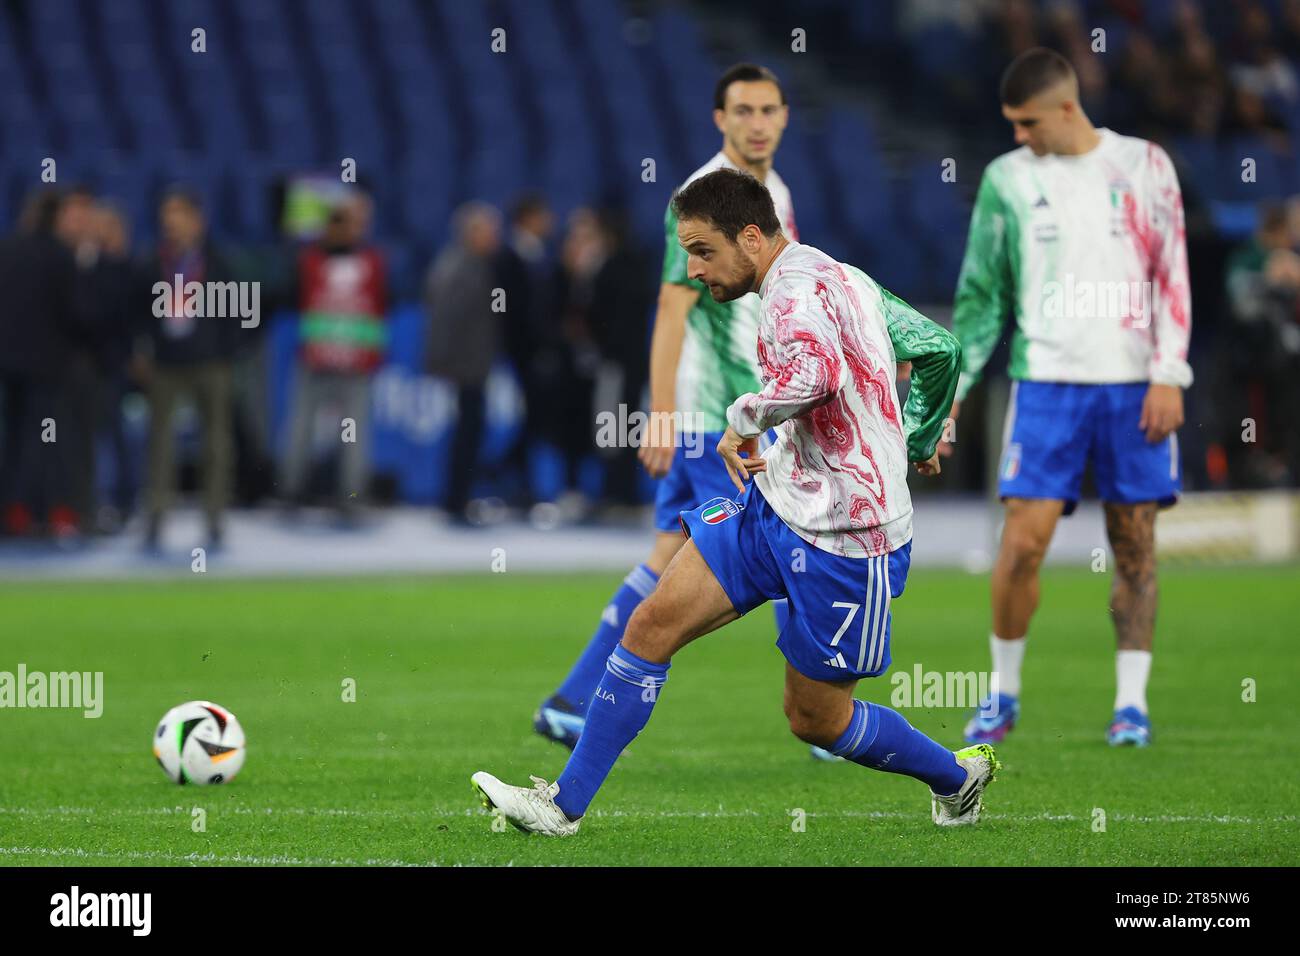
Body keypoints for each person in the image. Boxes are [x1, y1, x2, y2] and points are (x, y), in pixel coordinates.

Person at [472, 168, 999, 834]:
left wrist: (744, 417)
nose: (692, 268)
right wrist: (919, 435)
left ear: (751, 238)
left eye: (702, 250)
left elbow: (815, 377)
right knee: (650, 624)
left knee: (816, 720)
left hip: (846, 535)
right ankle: (562, 806)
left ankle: (958, 779)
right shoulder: (840, 275)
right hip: (776, 504)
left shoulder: (789, 296)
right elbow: (935, 347)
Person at [532, 63, 809, 752]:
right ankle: (823, 718)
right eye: (742, 110)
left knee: (668, 555)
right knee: (787, 552)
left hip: (733, 414)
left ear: (784, 116)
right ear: (720, 118)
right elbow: (672, 306)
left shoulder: (775, 191)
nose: (757, 122)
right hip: (718, 420)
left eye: (769, 109)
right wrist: (660, 412)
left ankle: (571, 699)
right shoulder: (699, 197)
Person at [943, 49, 1192, 748]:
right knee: (1022, 545)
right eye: (1011, 124)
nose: (1019, 135)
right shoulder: (1007, 181)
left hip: (1134, 385)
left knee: (1135, 546)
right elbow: (980, 298)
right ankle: (1001, 696)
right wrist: (953, 389)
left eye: (1026, 122)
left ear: (1066, 107)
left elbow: (1171, 270)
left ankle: (1132, 706)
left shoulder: (1144, 165)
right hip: (1046, 385)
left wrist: (1170, 370)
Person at [140, 188, 241, 551]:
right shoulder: (153, 263)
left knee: (215, 445)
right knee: (159, 444)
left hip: (210, 363)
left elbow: (237, 313)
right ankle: (156, 516)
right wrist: (144, 350)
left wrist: (225, 353)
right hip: (166, 363)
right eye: (167, 215)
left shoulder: (217, 263)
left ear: (198, 221)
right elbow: (139, 311)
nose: (172, 223)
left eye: (179, 215)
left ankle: (214, 518)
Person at [281, 195, 388, 517]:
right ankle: (291, 493)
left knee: (354, 434)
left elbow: (379, 308)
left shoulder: (372, 261)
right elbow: (295, 300)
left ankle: (351, 496)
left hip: (356, 363)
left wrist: (372, 354)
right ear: (330, 225)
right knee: (300, 430)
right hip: (316, 361)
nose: (350, 229)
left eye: (355, 222)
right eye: (342, 222)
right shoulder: (309, 260)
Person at [424, 202, 503, 524]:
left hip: (471, 366)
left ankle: (459, 498)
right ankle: (456, 501)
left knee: (469, 432)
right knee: (466, 433)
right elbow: (445, 320)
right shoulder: (460, 267)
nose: (495, 237)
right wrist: (444, 363)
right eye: (489, 231)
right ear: (472, 233)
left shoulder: (468, 264)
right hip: (464, 367)